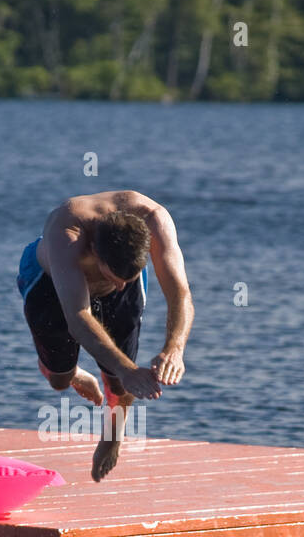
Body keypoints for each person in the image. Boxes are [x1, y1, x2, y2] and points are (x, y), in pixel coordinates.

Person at [17, 190, 193, 480]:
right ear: (95, 253)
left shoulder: (155, 219)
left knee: (122, 386)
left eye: (130, 279)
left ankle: (113, 435)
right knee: (59, 381)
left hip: (109, 275)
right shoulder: (67, 231)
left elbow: (180, 293)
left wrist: (174, 348)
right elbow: (78, 317)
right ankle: (72, 371)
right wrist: (127, 369)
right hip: (50, 281)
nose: (123, 287)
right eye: (115, 279)